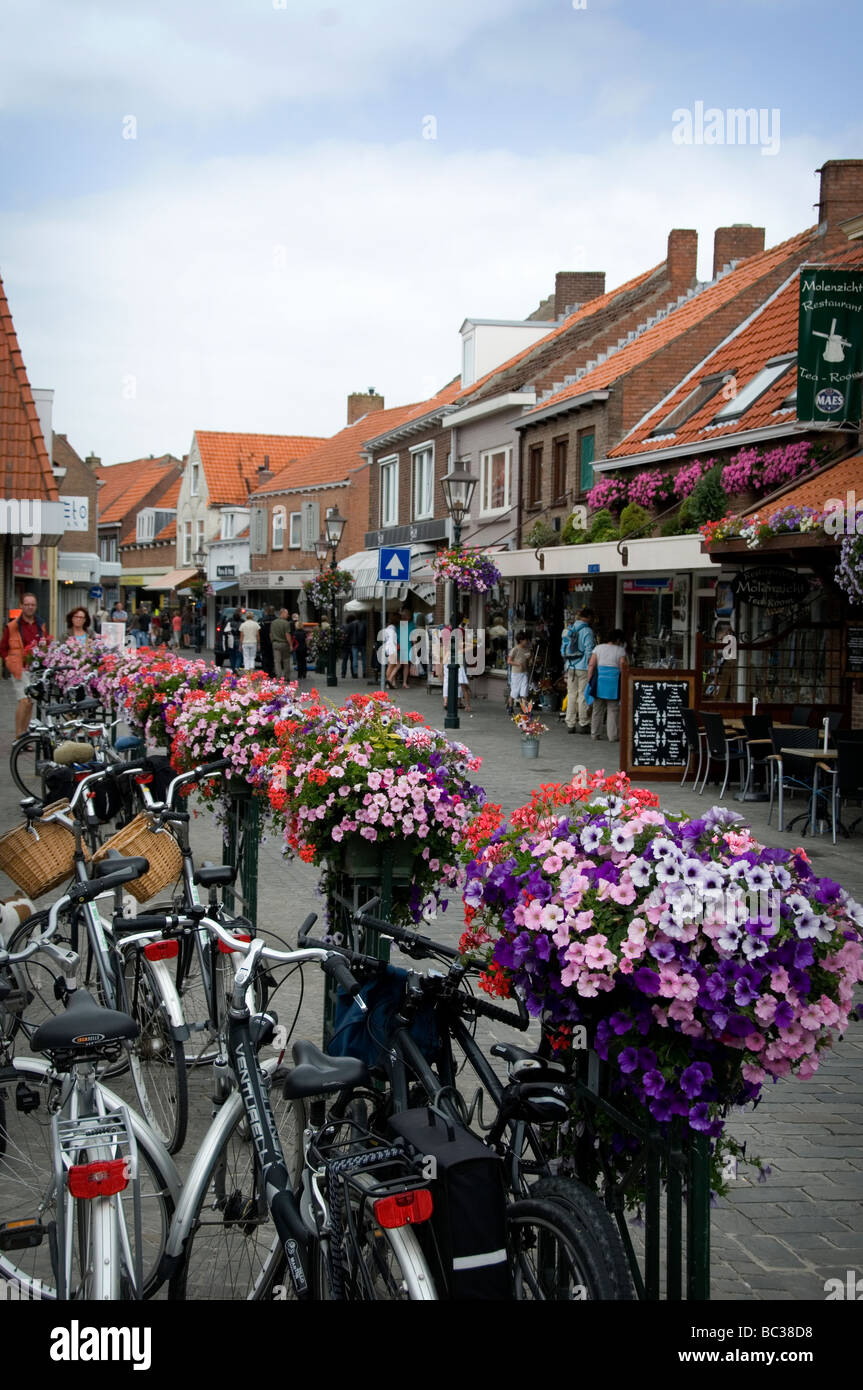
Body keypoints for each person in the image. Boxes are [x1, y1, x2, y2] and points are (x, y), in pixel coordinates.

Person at [0, 593, 49, 736]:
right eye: (27, 604)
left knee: (30, 703)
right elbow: (3, 648)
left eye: (32, 605)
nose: (29, 607)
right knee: (24, 700)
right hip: (19, 668)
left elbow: (46, 644)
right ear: (21, 605)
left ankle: (24, 734)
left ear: (36, 606)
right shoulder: (13, 626)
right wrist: (9, 661)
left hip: (35, 669)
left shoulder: (41, 624)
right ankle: (18, 736)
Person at [587, 629, 627, 741]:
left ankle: (595, 734)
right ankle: (613, 736)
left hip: (599, 683)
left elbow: (591, 665)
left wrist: (590, 681)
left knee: (597, 710)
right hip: (613, 685)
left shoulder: (598, 648)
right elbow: (623, 668)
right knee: (613, 710)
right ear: (618, 640)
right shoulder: (620, 651)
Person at [561, 606, 596, 735]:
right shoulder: (587, 631)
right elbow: (589, 650)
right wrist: (589, 665)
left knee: (571, 694)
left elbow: (563, 648)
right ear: (589, 617)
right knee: (582, 695)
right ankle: (583, 723)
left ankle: (570, 723)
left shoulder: (569, 629)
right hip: (583, 667)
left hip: (570, 666)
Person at [506, 630, 532, 710]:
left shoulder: (527, 649)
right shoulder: (515, 649)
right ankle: (510, 707)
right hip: (516, 674)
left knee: (524, 692)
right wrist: (518, 664)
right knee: (515, 692)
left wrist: (531, 660)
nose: (527, 641)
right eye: (525, 640)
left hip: (524, 673)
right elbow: (509, 661)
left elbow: (529, 660)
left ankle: (524, 709)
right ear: (520, 640)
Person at [270, 608, 292, 679]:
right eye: (286, 614)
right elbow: (287, 635)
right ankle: (287, 676)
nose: (288, 615)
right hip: (284, 644)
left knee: (277, 661)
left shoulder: (273, 622)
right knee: (286, 660)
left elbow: (270, 634)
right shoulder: (286, 623)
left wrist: (272, 641)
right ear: (282, 613)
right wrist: (291, 644)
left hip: (275, 643)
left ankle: (278, 676)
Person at [346, 615, 367, 680]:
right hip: (362, 643)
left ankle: (355, 673)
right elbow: (366, 633)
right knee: (364, 659)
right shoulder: (364, 623)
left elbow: (348, 634)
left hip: (354, 643)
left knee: (355, 658)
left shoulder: (351, 624)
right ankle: (364, 673)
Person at [382, 617, 399, 689]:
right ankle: (389, 680)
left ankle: (391, 682)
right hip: (392, 649)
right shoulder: (393, 628)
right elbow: (392, 641)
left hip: (387, 649)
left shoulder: (386, 630)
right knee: (397, 664)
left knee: (391, 666)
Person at [259, 606, 275, 676]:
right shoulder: (276, 620)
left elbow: (259, 631)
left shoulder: (262, 620)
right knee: (272, 657)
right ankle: (271, 671)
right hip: (273, 641)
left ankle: (265, 671)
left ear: (267, 611)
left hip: (264, 641)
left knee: (265, 657)